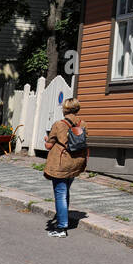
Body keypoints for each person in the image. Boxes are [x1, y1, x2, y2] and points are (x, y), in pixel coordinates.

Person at [44, 98, 88, 237]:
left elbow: (49, 146)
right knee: (65, 191)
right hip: (76, 162)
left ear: (65, 109)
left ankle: (61, 227)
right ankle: (63, 221)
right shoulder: (83, 124)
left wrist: (47, 139)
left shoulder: (59, 124)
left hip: (61, 164)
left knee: (60, 194)